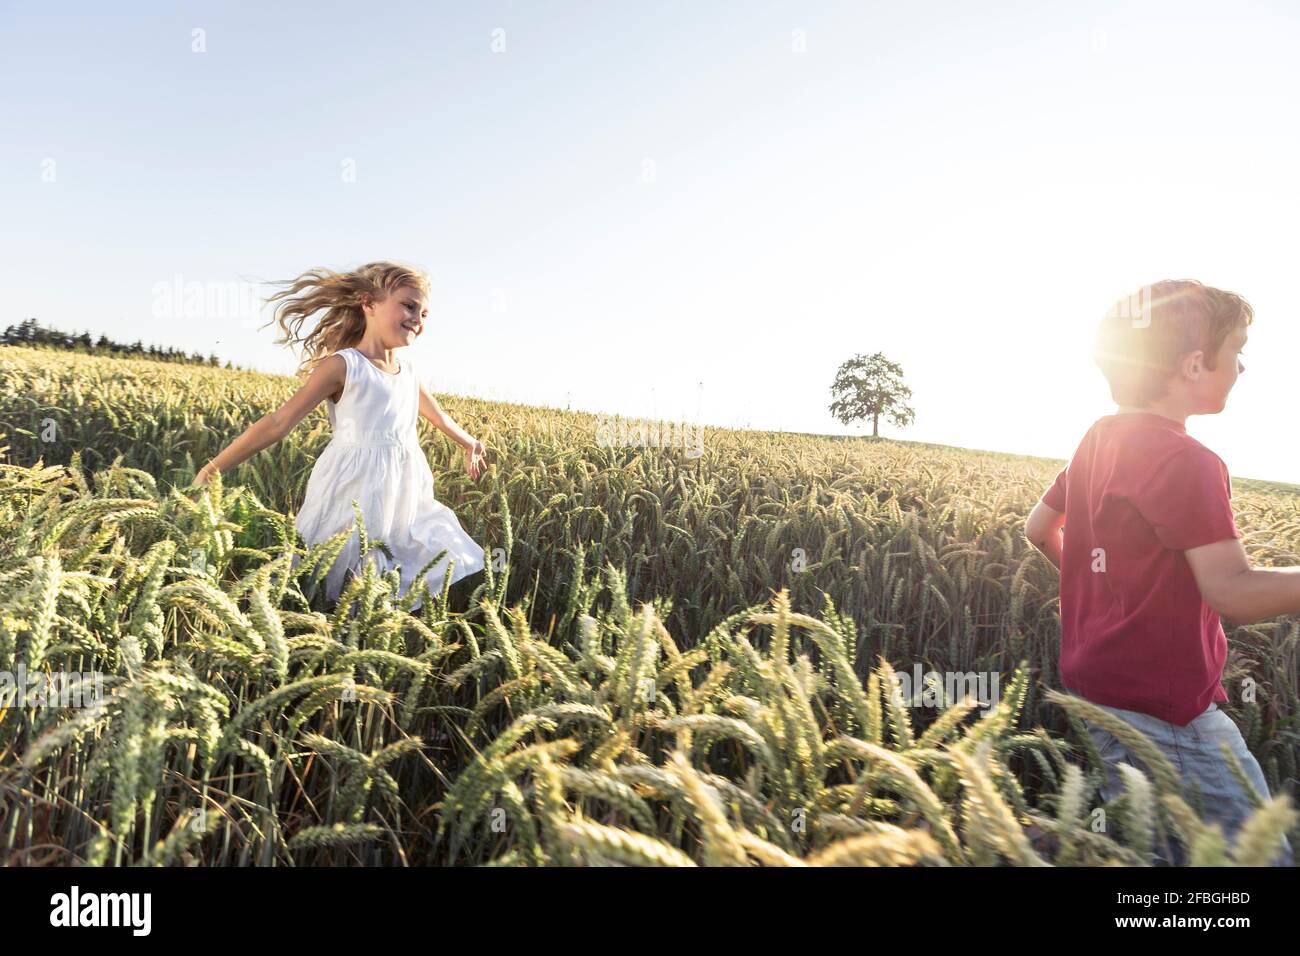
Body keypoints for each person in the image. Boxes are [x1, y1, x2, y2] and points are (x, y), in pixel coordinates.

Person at [1024, 279, 1293, 866]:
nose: (1243, 367)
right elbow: (1234, 594)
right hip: (1168, 712)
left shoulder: (1099, 438)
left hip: (1097, 688)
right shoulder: (1189, 461)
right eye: (1238, 350)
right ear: (1195, 365)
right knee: (1259, 859)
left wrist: (1107, 591)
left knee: (1153, 845)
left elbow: (1039, 529)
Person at [192, 260, 486, 610]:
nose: (417, 320)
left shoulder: (408, 372)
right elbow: (278, 422)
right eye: (408, 305)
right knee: (338, 576)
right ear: (369, 303)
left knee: (421, 554)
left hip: (405, 490)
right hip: (353, 489)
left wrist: (469, 441)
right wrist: (214, 468)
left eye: (424, 314)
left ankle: (375, 638)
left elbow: (437, 417)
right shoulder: (344, 366)